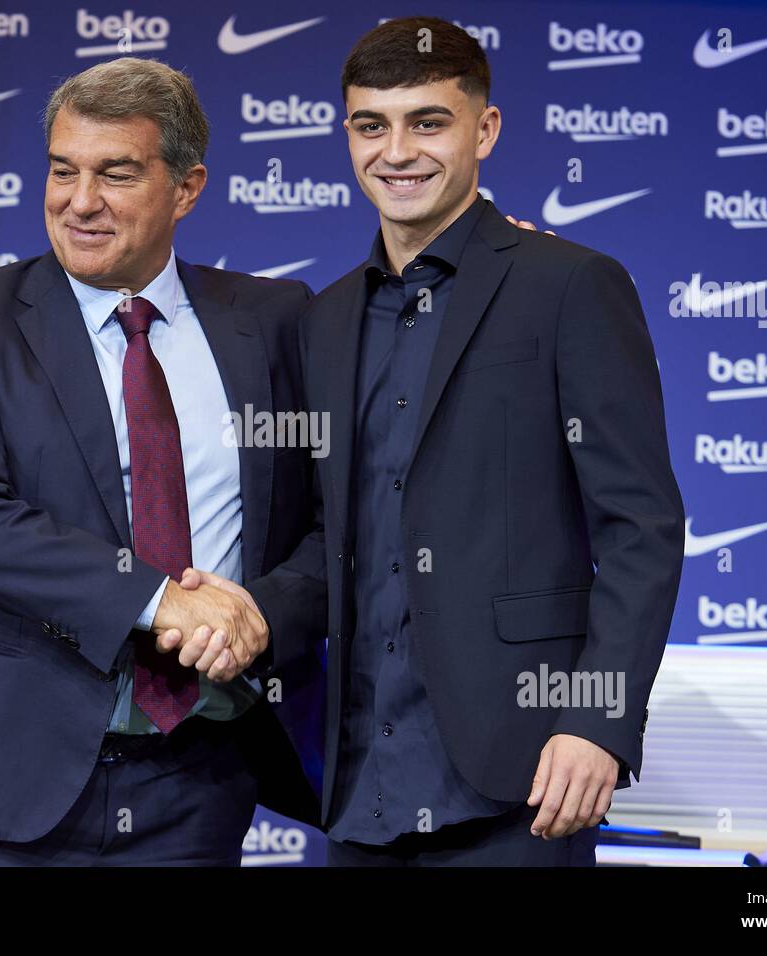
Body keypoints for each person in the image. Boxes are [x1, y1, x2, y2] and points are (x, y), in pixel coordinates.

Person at [181, 16, 686, 866]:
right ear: (347, 135)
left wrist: (598, 722)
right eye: (372, 125)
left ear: (483, 129)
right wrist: (250, 609)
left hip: (524, 776)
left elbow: (641, 529)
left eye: (428, 122)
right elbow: (328, 538)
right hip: (357, 782)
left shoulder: (572, 286)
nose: (397, 151)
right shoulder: (326, 318)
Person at [0, 57, 321, 866]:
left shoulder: (277, 323)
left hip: (197, 790)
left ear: (187, 188)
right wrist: (160, 600)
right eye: (63, 171)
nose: (79, 202)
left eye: (116, 173)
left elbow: (344, 522)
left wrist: (257, 614)